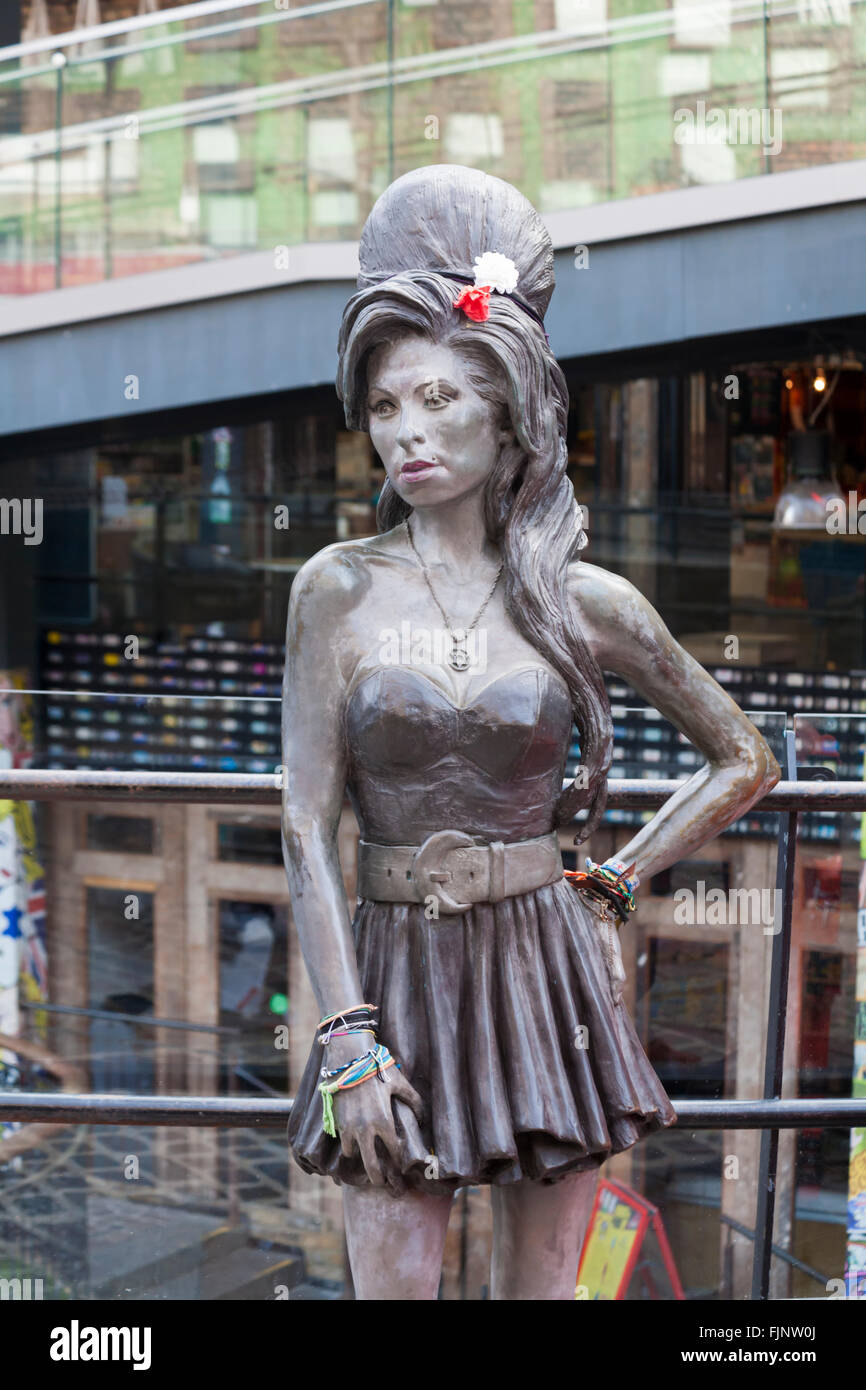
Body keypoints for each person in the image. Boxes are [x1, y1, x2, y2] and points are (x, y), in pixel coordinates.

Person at [281, 164, 780, 1300]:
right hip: (390, 978)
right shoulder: (334, 590)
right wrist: (346, 1041)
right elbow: (304, 824)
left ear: (506, 408)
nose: (404, 433)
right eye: (385, 407)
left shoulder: (583, 600)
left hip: (544, 971)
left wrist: (611, 882)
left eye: (438, 400)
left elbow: (739, 757)